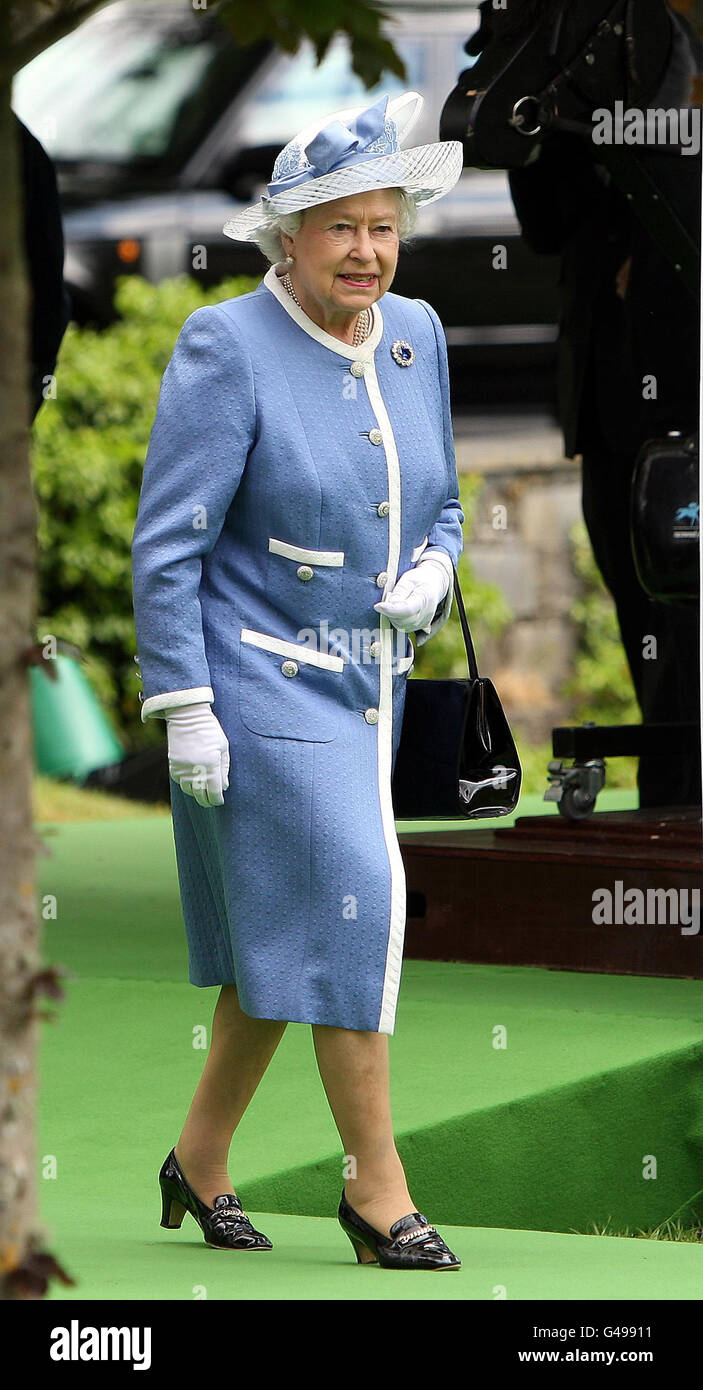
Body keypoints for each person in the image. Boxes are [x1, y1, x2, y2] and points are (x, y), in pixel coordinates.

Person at [131, 91, 465, 1270]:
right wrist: (184, 705)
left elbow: (447, 504)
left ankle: (198, 1158)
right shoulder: (229, 345)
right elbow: (168, 542)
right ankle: (379, 1192)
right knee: (354, 907)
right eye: (340, 229)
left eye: (382, 226)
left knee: (279, 948)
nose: (366, 251)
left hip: (369, 692)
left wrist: (433, 565)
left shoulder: (417, 331)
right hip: (260, 688)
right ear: (290, 236)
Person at [507, 5, 702, 808]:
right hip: (612, 397)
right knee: (642, 603)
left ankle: (675, 808)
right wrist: (542, 109)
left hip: (683, 390)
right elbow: (545, 223)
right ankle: (668, 806)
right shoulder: (589, 48)